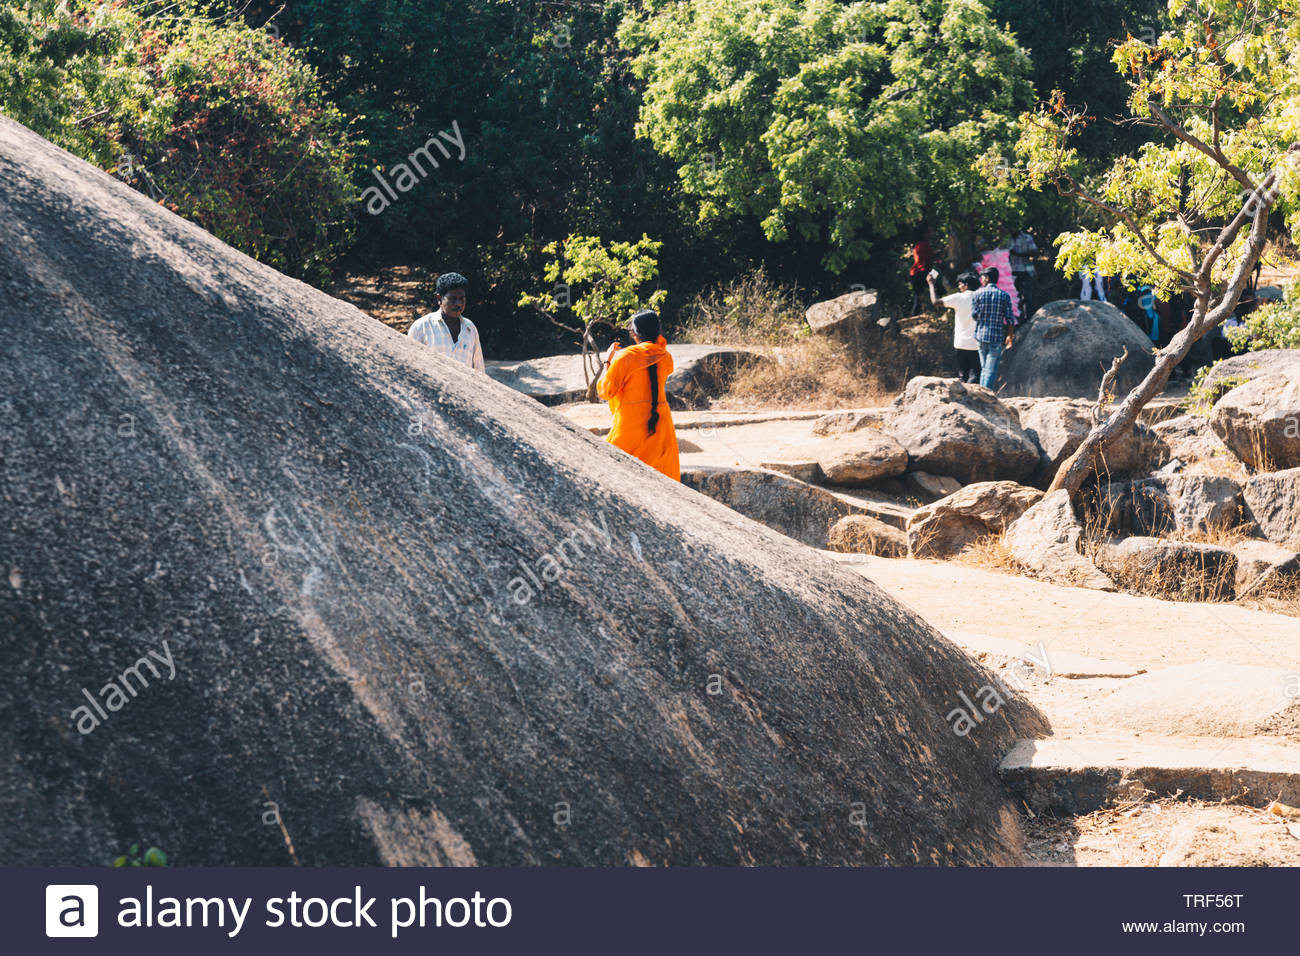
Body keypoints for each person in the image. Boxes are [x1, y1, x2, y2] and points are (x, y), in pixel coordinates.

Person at [597, 309, 680, 481]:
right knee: (662, 482)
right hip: (660, 428)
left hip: (630, 427)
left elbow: (605, 391)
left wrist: (608, 361)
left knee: (617, 478)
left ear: (634, 333)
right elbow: (657, 358)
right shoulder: (666, 357)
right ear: (659, 331)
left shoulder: (624, 358)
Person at [407, 272, 485, 371]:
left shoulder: (470, 328)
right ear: (439, 299)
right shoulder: (421, 327)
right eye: (453, 299)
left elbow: (479, 371)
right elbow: (410, 366)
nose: (459, 304)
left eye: (462, 299)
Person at [930, 270, 980, 384]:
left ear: (966, 285)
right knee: (976, 374)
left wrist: (931, 284)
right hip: (976, 344)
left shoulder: (959, 298)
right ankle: (972, 397)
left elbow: (936, 301)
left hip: (960, 343)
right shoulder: (981, 296)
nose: (958, 286)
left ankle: (963, 397)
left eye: (960, 283)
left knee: (963, 375)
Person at [971, 267, 1016, 389]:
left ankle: (982, 393)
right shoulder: (1004, 296)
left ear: (987, 278)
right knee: (990, 370)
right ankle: (987, 394)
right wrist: (1010, 336)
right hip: (996, 337)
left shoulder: (977, 294)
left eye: (983, 277)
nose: (981, 279)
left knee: (984, 368)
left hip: (980, 336)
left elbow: (974, 315)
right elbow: (1010, 319)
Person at [908, 231, 934, 314]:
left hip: (920, 272)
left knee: (919, 294)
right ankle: (915, 313)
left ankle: (917, 312)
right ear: (924, 234)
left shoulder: (922, 244)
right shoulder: (922, 245)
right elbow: (923, 260)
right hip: (920, 272)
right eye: (929, 231)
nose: (931, 233)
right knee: (920, 294)